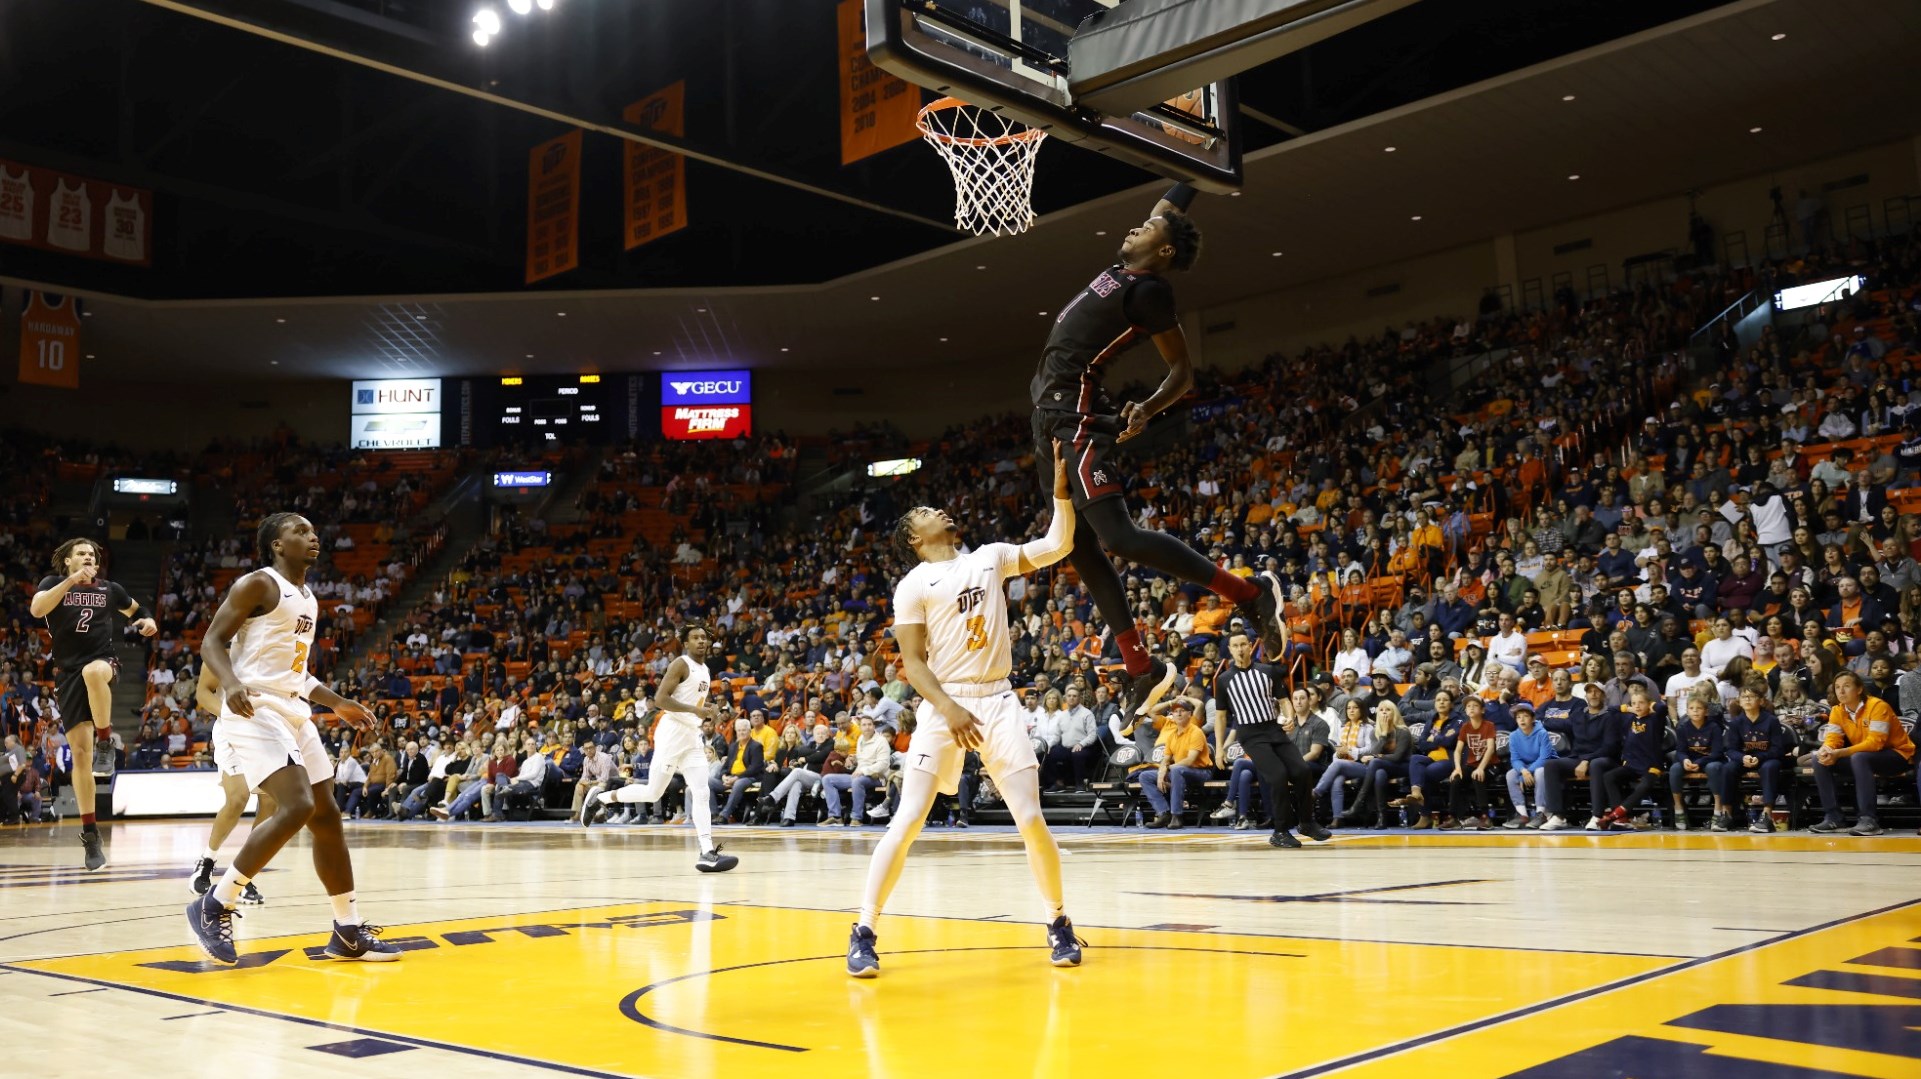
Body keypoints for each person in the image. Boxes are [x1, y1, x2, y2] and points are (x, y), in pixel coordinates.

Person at [1028, 182, 1287, 722]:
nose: (1135, 226)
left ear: (1163, 250)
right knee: (1075, 546)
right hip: (1047, 418)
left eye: (1146, 229)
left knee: (1118, 538)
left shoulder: (1149, 292)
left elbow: (1183, 372)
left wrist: (1147, 408)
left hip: (1077, 414)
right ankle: (1140, 667)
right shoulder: (1124, 268)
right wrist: (1194, 163)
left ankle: (1248, 593)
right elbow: (1168, 207)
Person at [846, 453, 1082, 978]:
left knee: (1030, 818)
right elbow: (913, 663)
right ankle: (864, 929)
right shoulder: (913, 584)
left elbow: (1058, 545)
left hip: (997, 699)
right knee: (909, 819)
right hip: (944, 702)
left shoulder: (990, 557)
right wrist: (948, 707)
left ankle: (1058, 921)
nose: (939, 510)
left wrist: (1061, 492)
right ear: (915, 536)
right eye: (926, 511)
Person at [186, 512, 398, 966]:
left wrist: (336, 702)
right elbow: (211, 642)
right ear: (277, 545)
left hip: (293, 710)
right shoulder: (258, 584)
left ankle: (347, 930)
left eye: (313, 531)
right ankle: (215, 903)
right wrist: (232, 683)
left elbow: (296, 674)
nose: (312, 536)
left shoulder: (307, 598)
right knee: (297, 805)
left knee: (327, 818)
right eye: (300, 531)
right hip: (254, 707)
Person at [29, 537, 159, 869]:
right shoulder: (52, 583)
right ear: (68, 561)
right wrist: (72, 581)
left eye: (92, 554)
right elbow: (38, 609)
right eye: (81, 554)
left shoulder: (109, 589)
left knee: (94, 671)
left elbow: (137, 610)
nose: (88, 557)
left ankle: (106, 741)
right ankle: (90, 835)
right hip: (67, 673)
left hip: (103, 663)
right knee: (80, 756)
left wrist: (147, 621)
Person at [583, 625, 739, 872]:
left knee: (701, 791)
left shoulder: (706, 670)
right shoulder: (681, 664)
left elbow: (692, 701)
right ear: (685, 643)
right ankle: (600, 798)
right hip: (672, 733)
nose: (701, 641)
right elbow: (660, 699)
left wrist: (708, 709)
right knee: (653, 792)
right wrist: (695, 710)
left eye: (703, 637)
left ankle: (707, 852)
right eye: (695, 638)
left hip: (691, 735)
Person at [1214, 631, 1331, 848]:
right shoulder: (1223, 680)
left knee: (1302, 771)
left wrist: (1290, 718)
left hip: (1273, 729)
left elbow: (1284, 700)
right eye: (1235, 646)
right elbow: (1221, 716)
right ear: (1229, 650)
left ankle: (1306, 822)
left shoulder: (1267, 671)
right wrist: (1220, 748)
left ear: (1251, 646)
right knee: (1277, 776)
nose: (1240, 649)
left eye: (1243, 644)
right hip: (1250, 735)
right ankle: (1280, 831)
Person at [188, 668, 271, 905]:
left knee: (270, 802)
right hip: (232, 729)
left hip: (266, 730)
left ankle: (244, 873)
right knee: (238, 798)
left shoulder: (275, 650)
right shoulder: (223, 649)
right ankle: (207, 861)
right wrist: (231, 715)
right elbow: (203, 693)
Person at [1809, 670, 1917, 836]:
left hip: (1898, 755)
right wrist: (1826, 750)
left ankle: (1868, 819)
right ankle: (1833, 817)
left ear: (1859, 689)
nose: (1841, 691)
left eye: (1846, 686)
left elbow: (1875, 743)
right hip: (1864, 757)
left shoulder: (1878, 706)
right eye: (1837, 687)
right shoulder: (1837, 710)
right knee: (1819, 759)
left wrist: (1840, 752)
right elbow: (1833, 739)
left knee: (1859, 757)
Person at [1722, 684, 1790, 834]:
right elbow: (1731, 750)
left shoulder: (1771, 721)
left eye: (1751, 696)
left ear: (1761, 701)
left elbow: (1778, 749)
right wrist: (1742, 757)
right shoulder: (1736, 722)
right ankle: (1727, 814)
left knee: (1770, 767)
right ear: (1739, 701)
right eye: (1744, 697)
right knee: (1727, 768)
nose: (1747, 700)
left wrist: (1759, 757)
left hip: (1766, 758)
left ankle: (1767, 816)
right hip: (1745, 760)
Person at [1503, 700, 1555, 828]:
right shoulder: (1514, 736)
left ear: (1533, 718)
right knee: (1510, 775)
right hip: (1526, 768)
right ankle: (1522, 815)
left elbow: (1544, 758)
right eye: (1518, 717)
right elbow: (1515, 759)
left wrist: (1526, 773)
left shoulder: (1542, 733)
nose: (1522, 719)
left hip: (1546, 765)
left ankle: (1541, 813)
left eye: (1525, 716)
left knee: (1539, 772)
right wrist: (1523, 771)